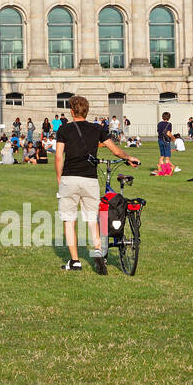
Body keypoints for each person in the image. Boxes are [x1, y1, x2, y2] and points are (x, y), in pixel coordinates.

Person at [55, 94, 139, 274]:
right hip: (90, 179)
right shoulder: (96, 129)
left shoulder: (64, 130)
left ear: (71, 111)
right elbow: (115, 150)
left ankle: (75, 261)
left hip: (70, 177)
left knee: (69, 220)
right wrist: (129, 157)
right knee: (93, 219)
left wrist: (59, 178)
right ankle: (99, 251)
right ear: (87, 111)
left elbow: (58, 157)